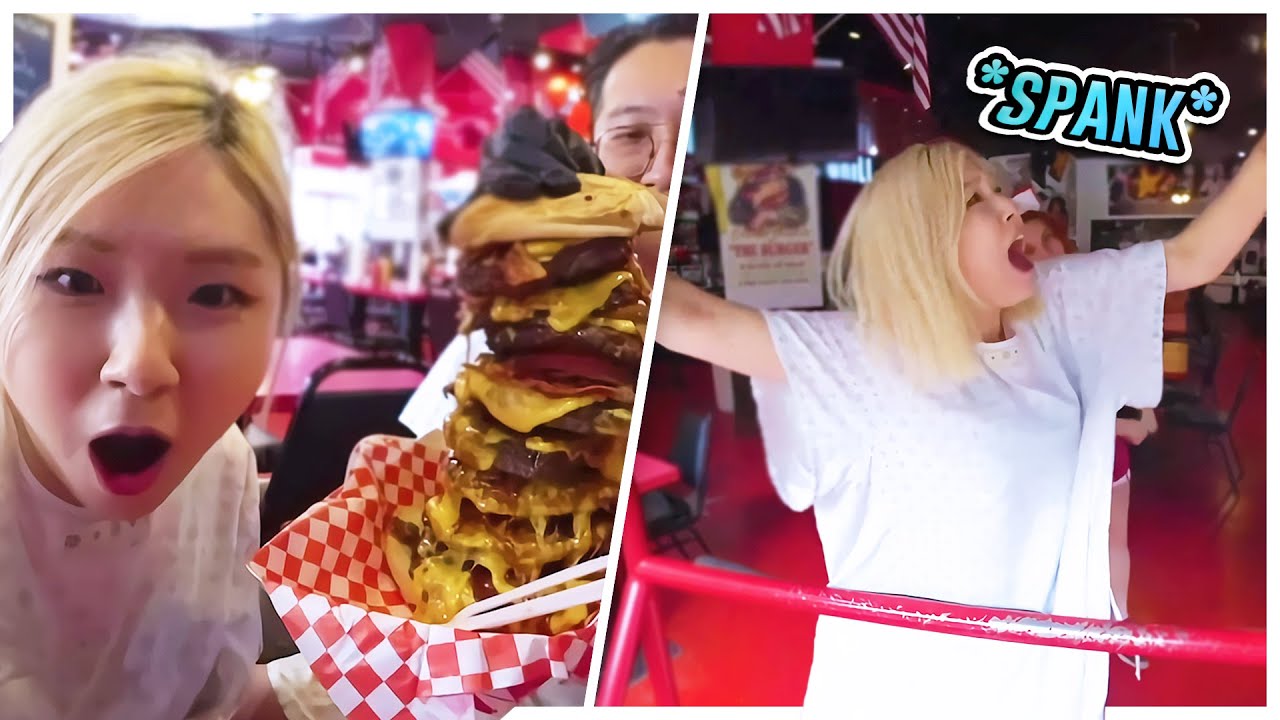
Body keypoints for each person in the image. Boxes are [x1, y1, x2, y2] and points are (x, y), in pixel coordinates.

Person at [650, 137, 1265, 717]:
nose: (1012, 210)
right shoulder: (858, 358)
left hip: (1043, 685)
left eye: (1002, 192)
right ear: (923, 241)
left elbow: (1192, 257)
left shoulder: (1050, 310)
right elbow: (689, 318)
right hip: (907, 692)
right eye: (977, 199)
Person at [0, 47, 321, 719]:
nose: (141, 364)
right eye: (74, 281)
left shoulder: (219, 471)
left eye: (214, 292)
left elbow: (217, 702)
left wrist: (405, 663)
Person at [399, 14, 695, 436]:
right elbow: (424, 454)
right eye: (630, 135)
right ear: (593, 154)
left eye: (690, 133)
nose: (663, 171)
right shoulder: (519, 316)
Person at [1023, 209, 1158, 675]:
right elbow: (1049, 412)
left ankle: (1117, 623)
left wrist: (1140, 410)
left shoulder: (1095, 308)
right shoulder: (1017, 322)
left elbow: (1132, 384)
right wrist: (1126, 425)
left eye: (1047, 241)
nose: (1041, 254)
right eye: (1027, 249)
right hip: (1055, 460)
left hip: (1105, 454)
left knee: (1113, 542)